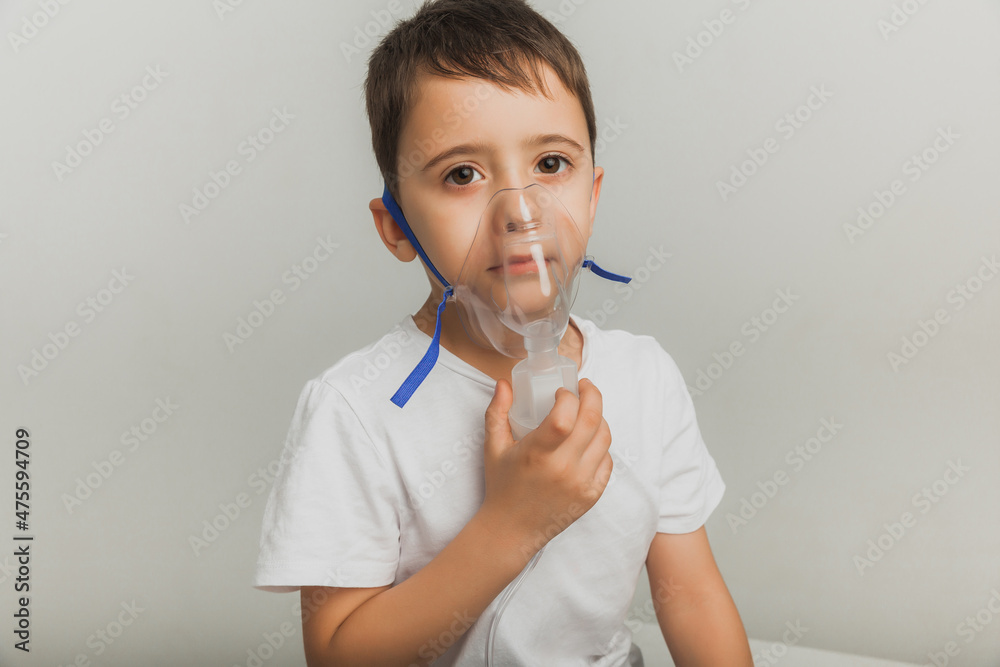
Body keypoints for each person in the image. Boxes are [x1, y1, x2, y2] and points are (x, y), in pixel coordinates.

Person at [253, 1, 754, 665]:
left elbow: (689, 594)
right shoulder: (358, 409)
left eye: (551, 164)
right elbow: (339, 653)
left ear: (594, 194)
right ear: (397, 225)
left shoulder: (643, 377)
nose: (521, 213)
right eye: (462, 174)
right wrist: (513, 523)